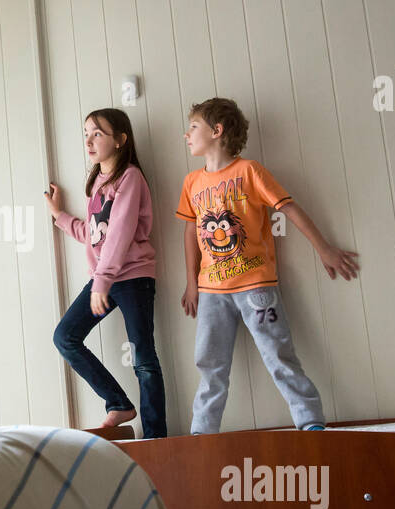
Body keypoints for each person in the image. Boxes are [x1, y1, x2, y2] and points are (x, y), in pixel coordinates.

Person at [177, 97, 359, 434]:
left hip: (256, 288)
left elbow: (288, 208)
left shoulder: (249, 171)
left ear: (217, 131)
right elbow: (190, 232)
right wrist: (191, 282)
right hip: (211, 292)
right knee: (209, 365)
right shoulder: (192, 183)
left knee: (279, 356)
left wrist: (324, 249)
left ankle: (311, 423)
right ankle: (202, 435)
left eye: (193, 127)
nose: (186, 135)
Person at [45, 108, 167, 440]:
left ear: (120, 140)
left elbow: (120, 234)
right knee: (65, 337)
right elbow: (95, 233)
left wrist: (102, 281)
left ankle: (156, 438)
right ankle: (118, 403)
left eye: (98, 133)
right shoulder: (98, 183)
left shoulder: (130, 178)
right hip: (105, 277)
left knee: (143, 357)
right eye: (86, 132)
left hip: (132, 277)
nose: (89, 139)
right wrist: (59, 216)